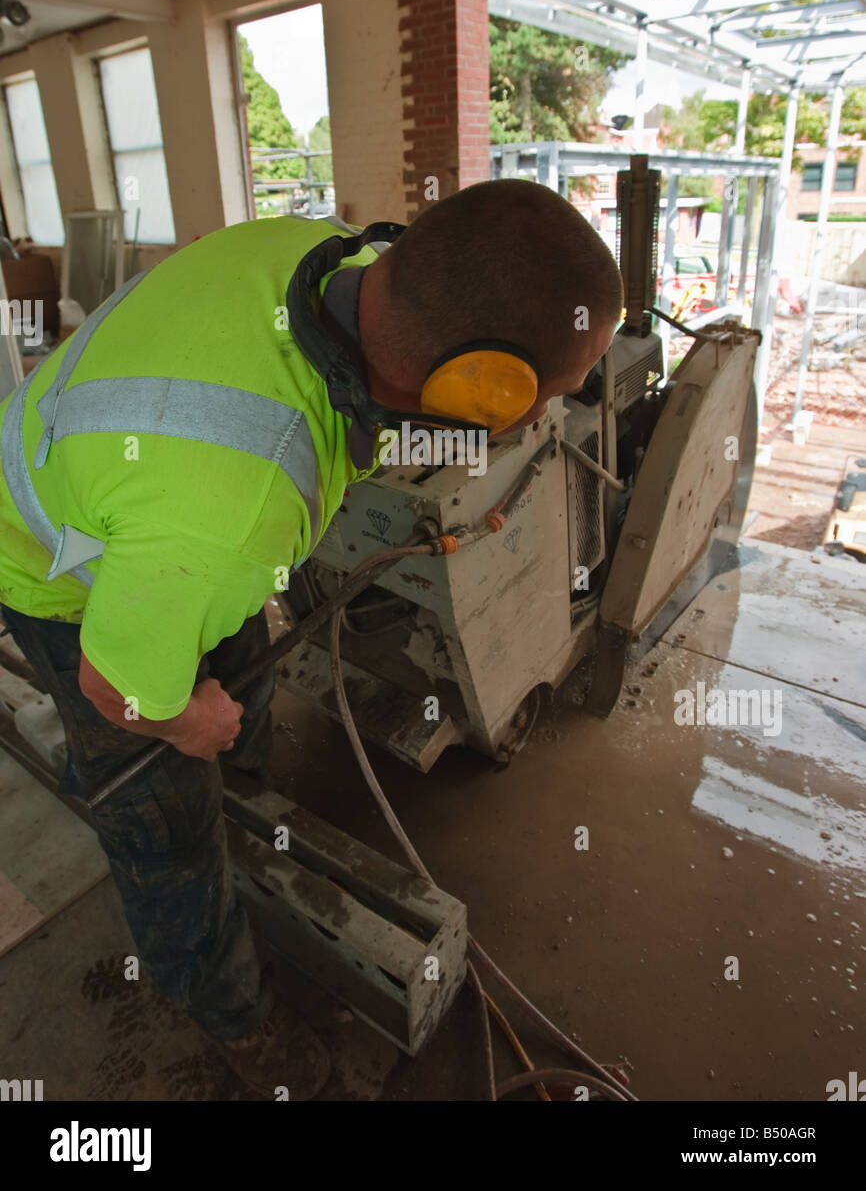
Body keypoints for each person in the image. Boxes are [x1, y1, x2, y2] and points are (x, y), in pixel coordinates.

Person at [0, 177, 622, 1098]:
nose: (543, 419)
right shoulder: (235, 515)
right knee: (161, 824)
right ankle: (228, 1016)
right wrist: (181, 724)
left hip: (128, 492)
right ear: (472, 384)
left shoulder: (324, 252)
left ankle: (242, 787)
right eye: (546, 396)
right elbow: (110, 685)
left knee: (239, 648)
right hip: (51, 570)